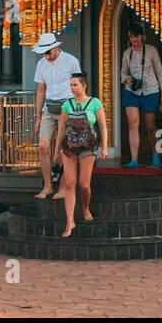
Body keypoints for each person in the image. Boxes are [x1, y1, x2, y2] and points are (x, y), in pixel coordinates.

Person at [52, 72, 107, 237]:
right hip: (69, 146)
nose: (72, 88)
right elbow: (61, 128)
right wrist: (56, 151)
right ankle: (70, 222)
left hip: (88, 147)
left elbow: (103, 126)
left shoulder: (95, 103)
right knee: (69, 183)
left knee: (84, 185)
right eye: (70, 85)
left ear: (84, 86)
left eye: (75, 85)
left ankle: (85, 207)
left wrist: (104, 147)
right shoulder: (66, 105)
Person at [31, 32, 81, 200]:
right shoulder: (41, 64)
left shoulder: (71, 61)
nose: (46, 56)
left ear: (55, 47)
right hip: (49, 108)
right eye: (43, 53)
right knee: (43, 146)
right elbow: (40, 90)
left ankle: (63, 188)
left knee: (64, 149)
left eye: (48, 52)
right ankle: (47, 186)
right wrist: (38, 117)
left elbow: (78, 87)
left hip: (67, 107)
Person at [120, 22, 162, 168]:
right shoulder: (127, 53)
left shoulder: (152, 50)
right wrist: (125, 79)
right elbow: (123, 72)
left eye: (137, 36)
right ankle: (134, 160)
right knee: (133, 124)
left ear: (142, 36)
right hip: (131, 91)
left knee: (150, 126)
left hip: (151, 91)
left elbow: (159, 71)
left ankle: (155, 154)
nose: (135, 40)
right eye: (132, 37)